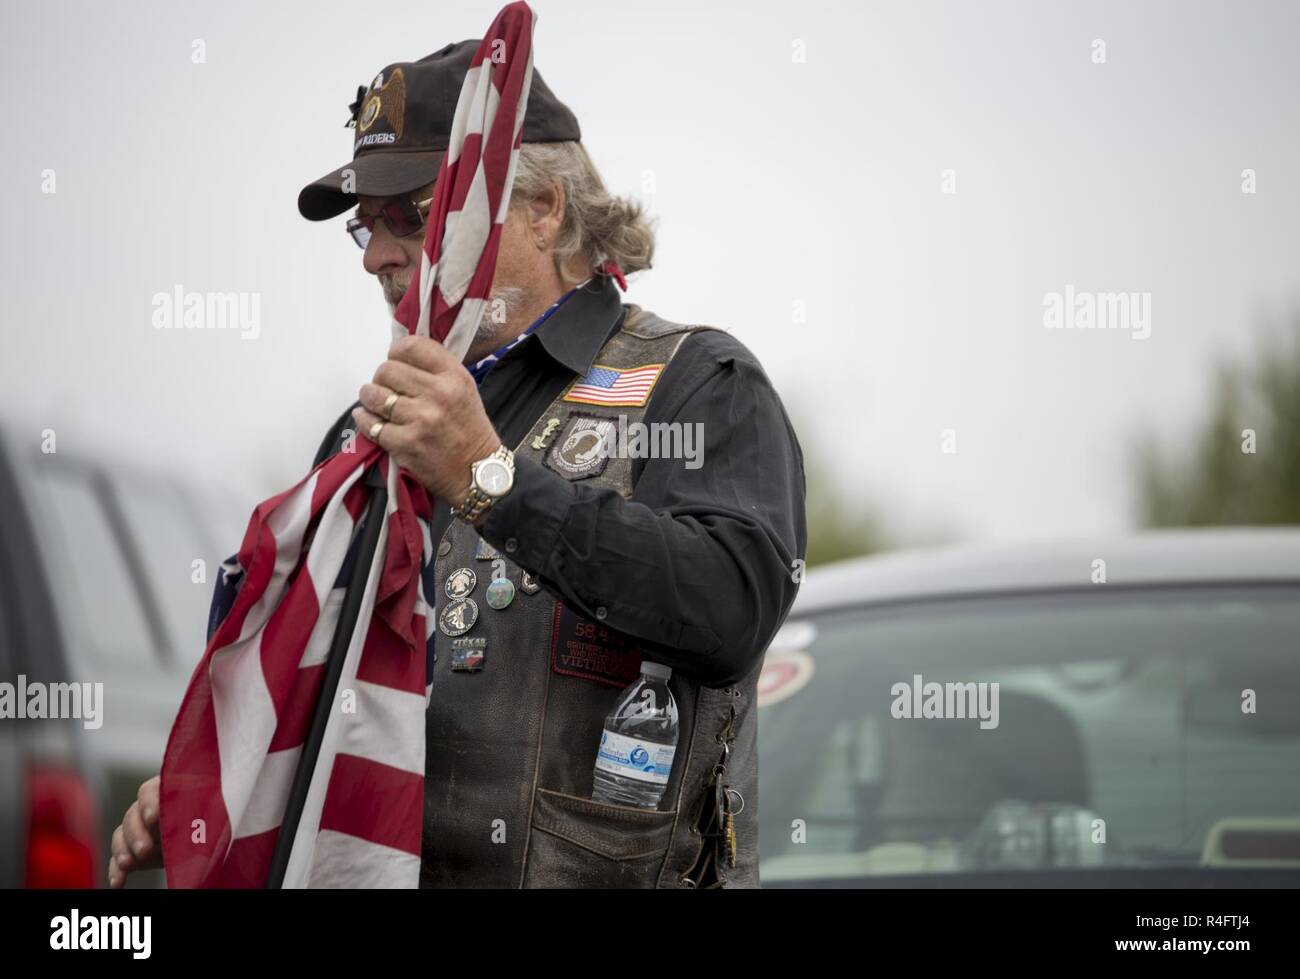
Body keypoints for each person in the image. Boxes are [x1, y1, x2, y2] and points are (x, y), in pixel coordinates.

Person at [109, 38, 806, 889]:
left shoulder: (698, 382)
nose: (376, 253)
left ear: (545, 208)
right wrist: (228, 782)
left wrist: (487, 475)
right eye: (368, 224)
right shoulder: (369, 430)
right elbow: (321, 688)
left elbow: (732, 609)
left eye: (414, 213)